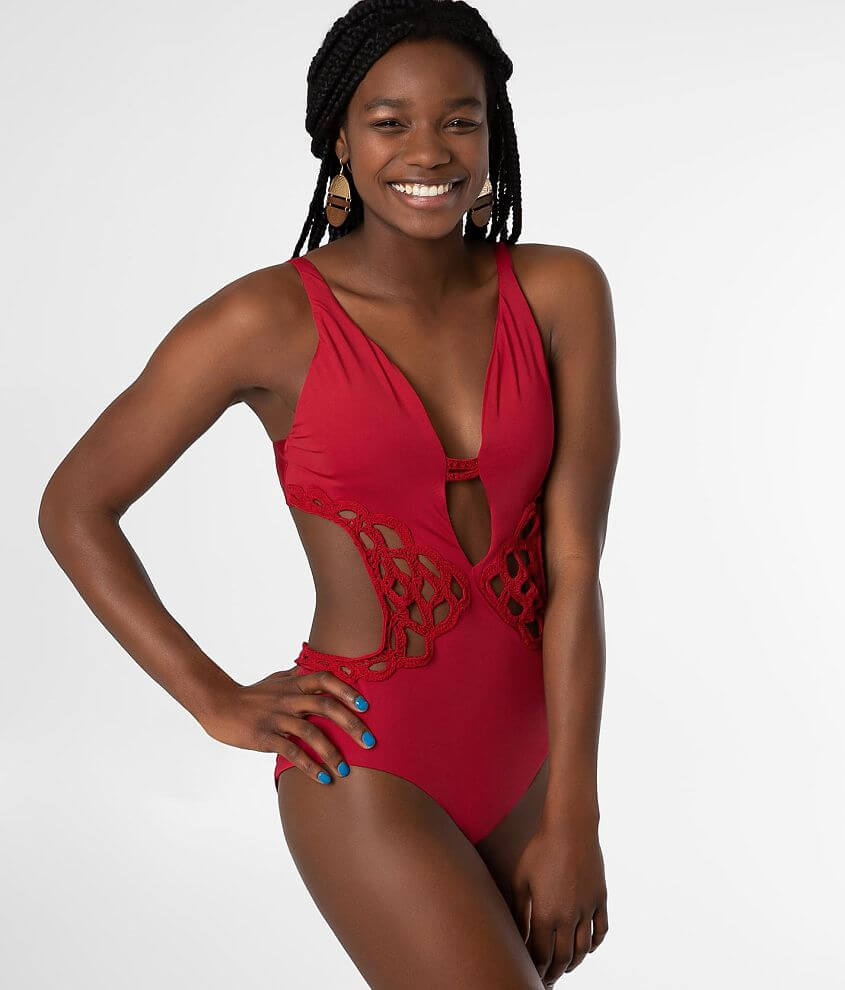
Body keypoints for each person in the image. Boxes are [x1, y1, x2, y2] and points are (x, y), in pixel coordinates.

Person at [38, 1, 620, 986]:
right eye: (389, 122)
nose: (427, 150)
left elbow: (571, 567)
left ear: (494, 133)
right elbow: (74, 506)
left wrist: (575, 814)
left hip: (534, 766)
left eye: (460, 119)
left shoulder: (562, 291)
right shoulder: (261, 320)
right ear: (340, 142)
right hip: (366, 759)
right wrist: (213, 698)